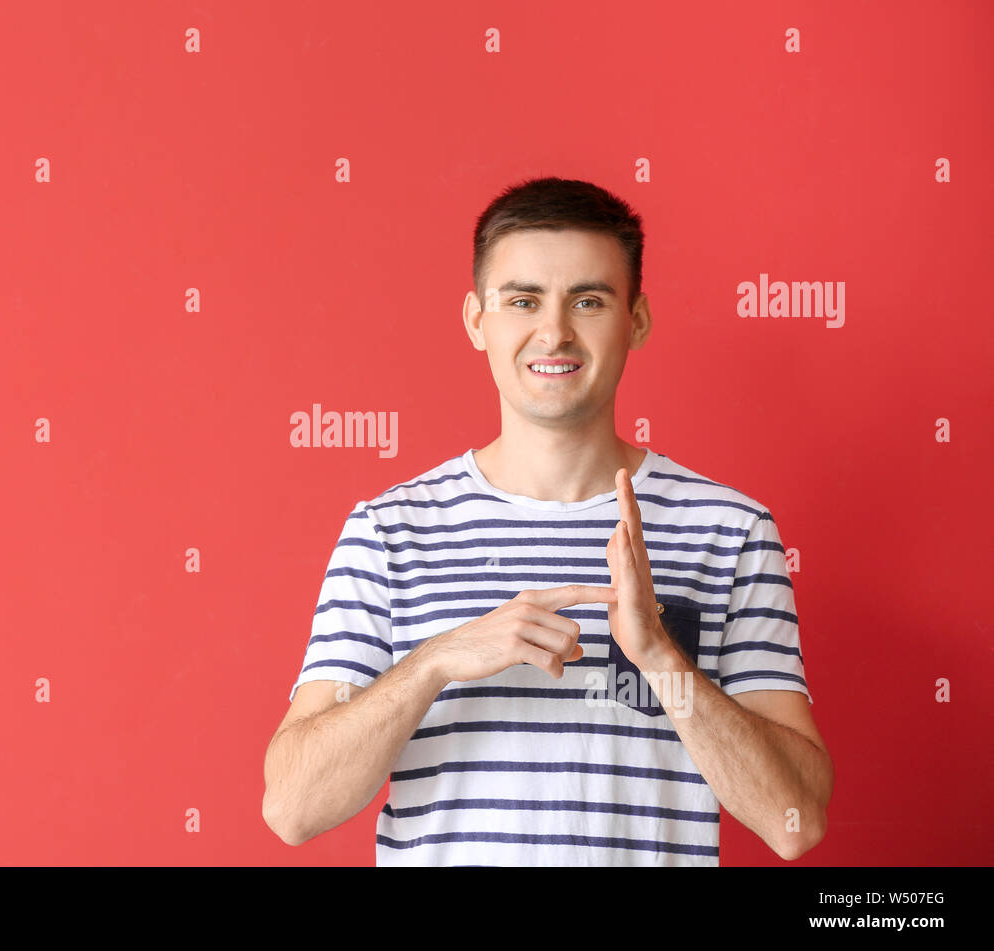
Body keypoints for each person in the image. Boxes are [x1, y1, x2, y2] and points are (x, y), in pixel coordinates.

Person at [261, 177, 833, 865]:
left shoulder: (731, 530)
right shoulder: (388, 532)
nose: (555, 331)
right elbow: (292, 807)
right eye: (523, 300)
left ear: (637, 320)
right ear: (477, 320)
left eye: (588, 300)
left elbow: (794, 820)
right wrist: (437, 660)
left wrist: (657, 655)